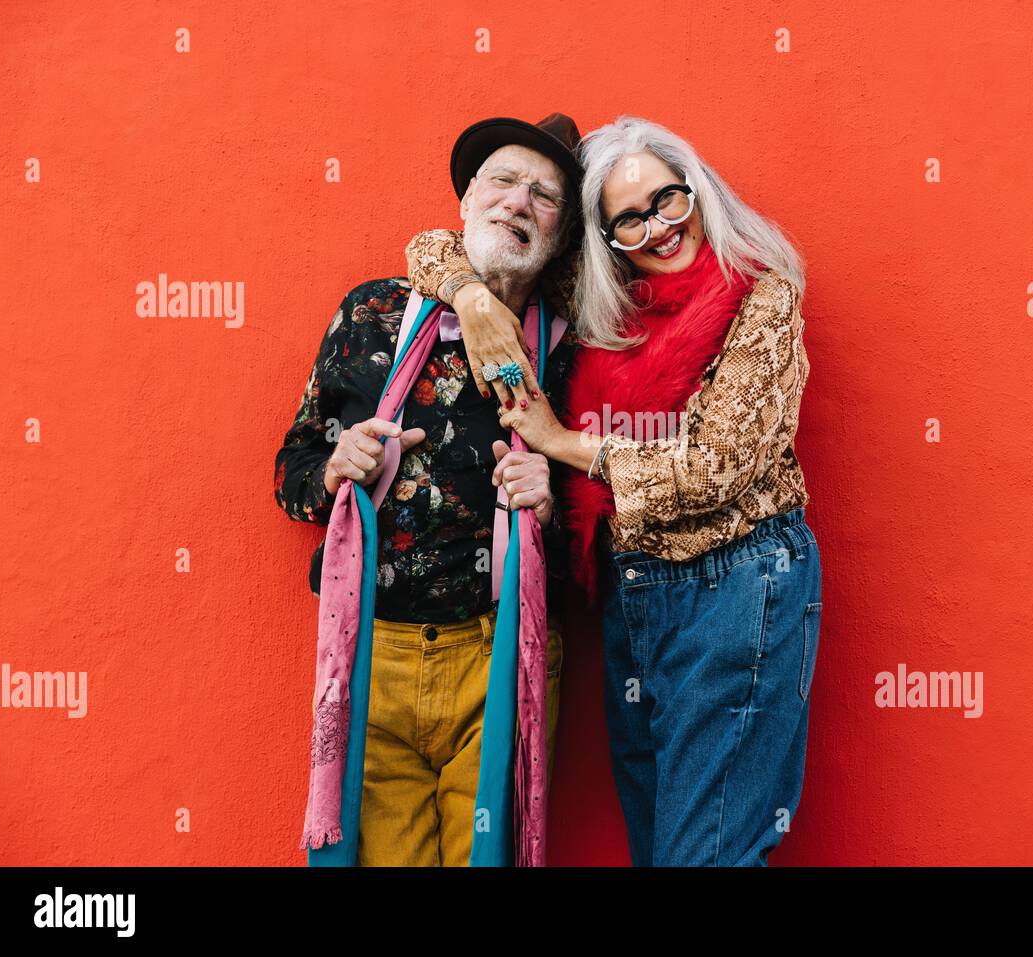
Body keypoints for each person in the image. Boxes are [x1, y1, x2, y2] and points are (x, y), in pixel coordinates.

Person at [404, 115, 820, 866]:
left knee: (708, 854)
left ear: (698, 192)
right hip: (635, 598)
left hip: (737, 583)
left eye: (667, 200)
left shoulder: (763, 296)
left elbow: (715, 464)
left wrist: (564, 443)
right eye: (629, 219)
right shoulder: (605, 296)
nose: (658, 229)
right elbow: (433, 247)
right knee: (660, 849)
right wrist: (471, 300)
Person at [274, 113, 584, 866]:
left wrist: (551, 499)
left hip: (498, 652)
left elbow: (601, 526)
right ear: (466, 202)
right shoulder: (372, 315)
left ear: (560, 235)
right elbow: (291, 469)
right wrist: (336, 465)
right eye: (503, 181)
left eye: (543, 197)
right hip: (375, 654)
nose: (519, 202)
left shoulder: (570, 349)